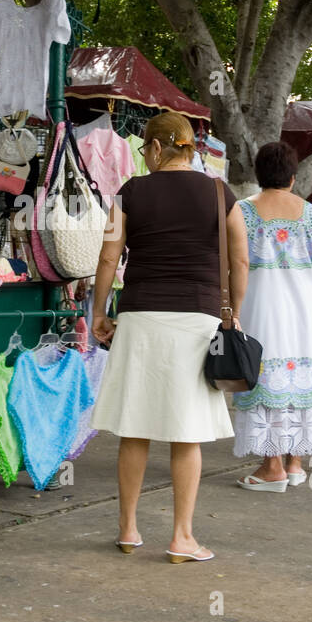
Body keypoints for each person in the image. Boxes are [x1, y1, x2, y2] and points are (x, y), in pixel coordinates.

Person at [90, 111, 248, 563]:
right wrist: (234, 315)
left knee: (135, 429)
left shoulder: (131, 193)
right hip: (198, 322)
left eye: (144, 150)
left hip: (139, 317)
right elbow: (241, 261)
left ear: (157, 148)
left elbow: (107, 258)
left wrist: (99, 312)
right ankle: (181, 537)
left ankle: (128, 529)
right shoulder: (221, 194)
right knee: (186, 434)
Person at [231, 142, 312, 491]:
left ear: (259, 174)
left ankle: (271, 466)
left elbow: (237, 263)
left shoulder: (243, 210)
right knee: (302, 377)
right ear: (293, 176)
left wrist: (231, 307)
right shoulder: (311, 214)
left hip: (262, 304)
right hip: (305, 309)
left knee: (263, 374)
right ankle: (294, 463)